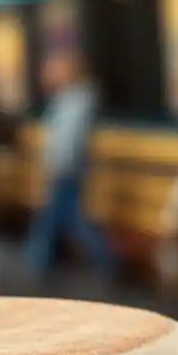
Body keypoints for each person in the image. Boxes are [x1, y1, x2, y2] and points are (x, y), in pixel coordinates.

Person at [26, 54, 115, 277]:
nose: (48, 75)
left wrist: (58, 165)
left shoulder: (76, 103)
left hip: (66, 168)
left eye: (54, 70)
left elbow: (69, 139)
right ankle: (40, 260)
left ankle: (38, 262)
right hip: (67, 168)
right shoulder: (71, 100)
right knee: (65, 218)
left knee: (64, 219)